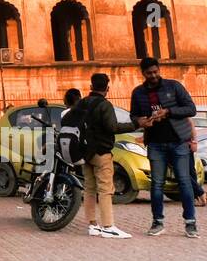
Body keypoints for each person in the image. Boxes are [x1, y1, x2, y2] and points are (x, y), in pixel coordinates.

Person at [129, 57, 198, 238]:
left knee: (184, 181)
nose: (153, 75)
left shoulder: (173, 86)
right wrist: (141, 121)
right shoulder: (138, 93)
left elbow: (191, 108)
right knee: (157, 184)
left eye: (155, 72)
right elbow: (134, 116)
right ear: (143, 73)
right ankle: (157, 222)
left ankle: (190, 223)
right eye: (149, 73)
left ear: (159, 69)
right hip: (155, 142)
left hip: (178, 141)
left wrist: (168, 112)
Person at [74, 73, 134, 239]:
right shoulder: (105, 105)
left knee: (89, 189)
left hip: (86, 152)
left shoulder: (82, 103)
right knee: (106, 189)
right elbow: (112, 127)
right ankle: (108, 226)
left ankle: (92, 225)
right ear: (107, 88)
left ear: (91, 86)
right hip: (101, 151)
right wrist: (135, 125)